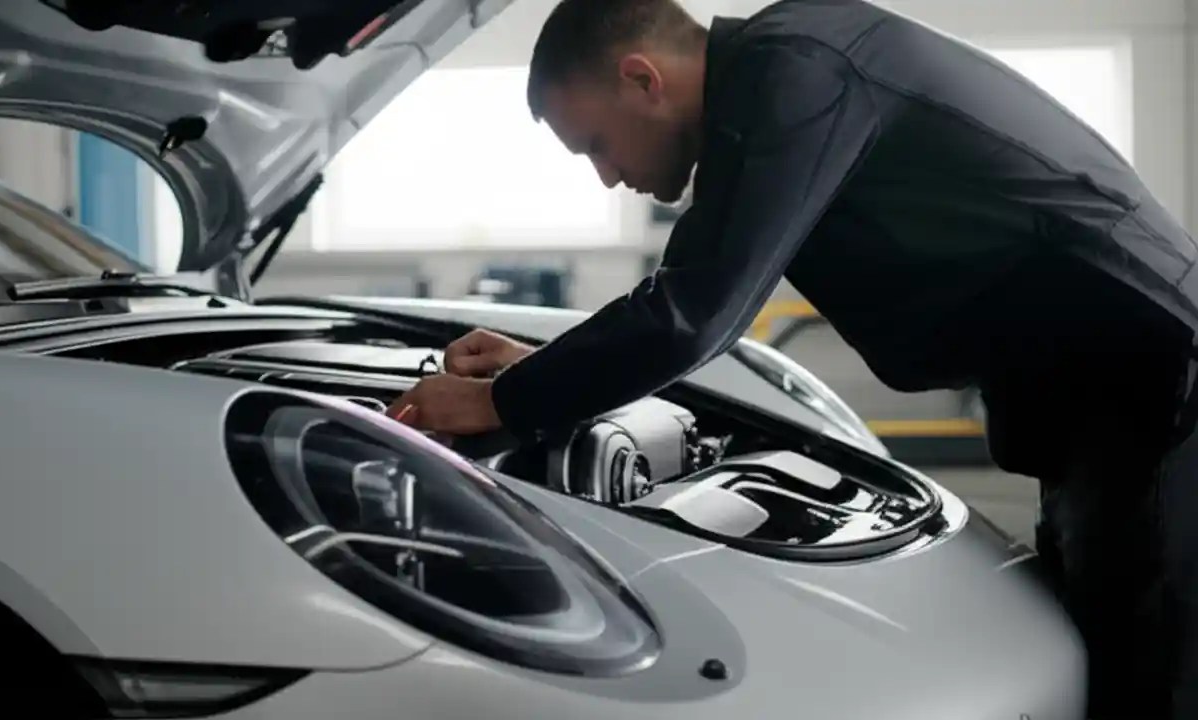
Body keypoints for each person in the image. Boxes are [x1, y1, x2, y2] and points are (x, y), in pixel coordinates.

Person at [385, 0, 1198, 716]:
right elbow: (696, 292)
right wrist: (547, 365)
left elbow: (694, 311)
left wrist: (502, 402)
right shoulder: (778, 83)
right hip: (1108, 403)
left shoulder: (799, 72)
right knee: (1108, 656)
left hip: (1161, 386)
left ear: (642, 79)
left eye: (596, 144)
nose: (607, 177)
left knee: (1147, 679)